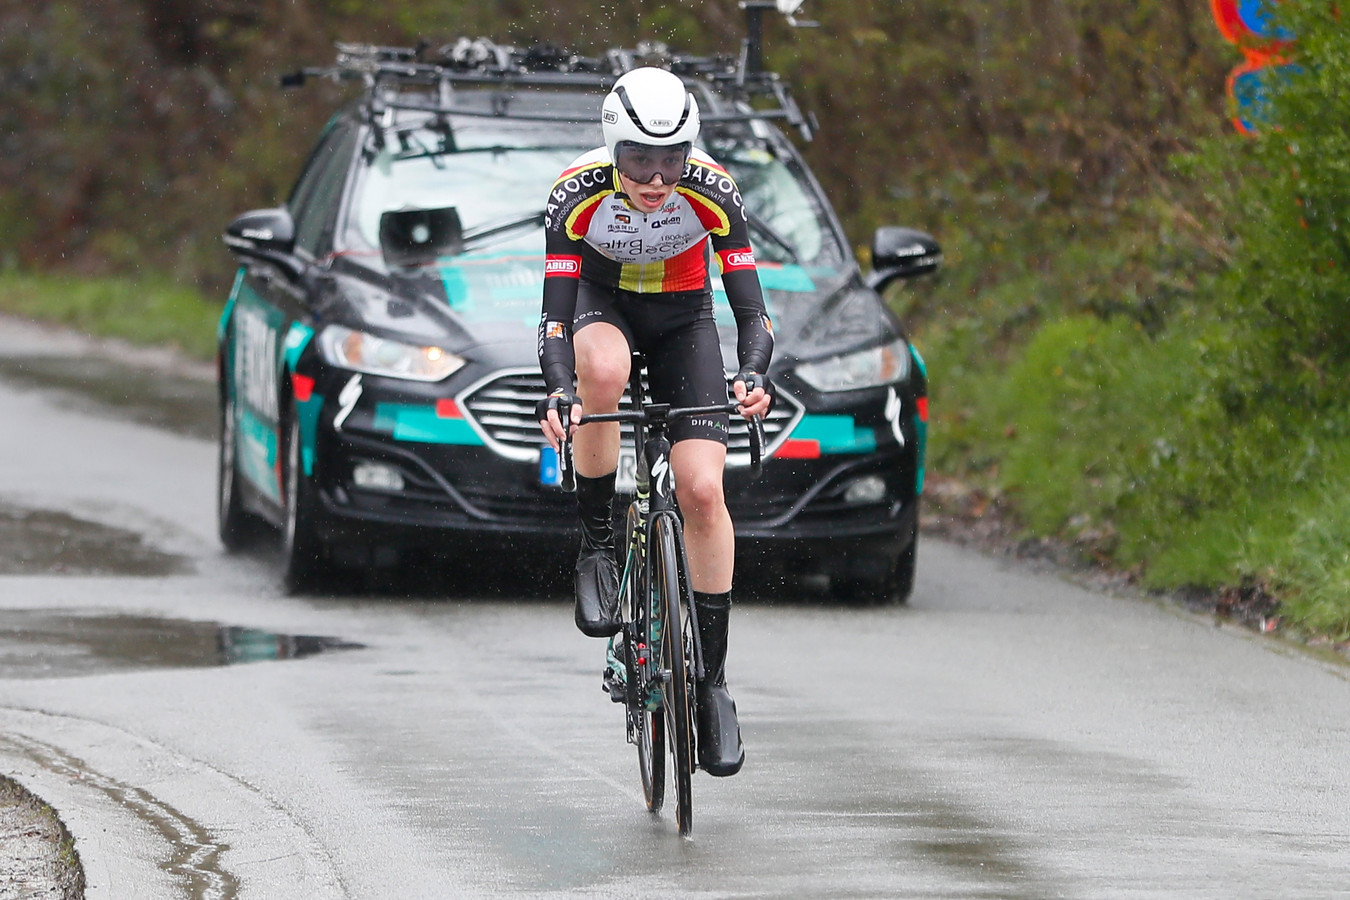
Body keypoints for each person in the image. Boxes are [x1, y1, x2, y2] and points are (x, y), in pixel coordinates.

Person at [536, 66, 773, 777]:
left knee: (703, 491)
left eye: (672, 160)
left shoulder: (714, 190)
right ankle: (597, 545)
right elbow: (553, 315)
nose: (658, 178)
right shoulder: (575, 195)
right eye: (640, 159)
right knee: (601, 375)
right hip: (600, 307)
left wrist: (754, 373)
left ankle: (713, 686)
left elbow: (751, 311)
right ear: (614, 149)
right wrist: (559, 390)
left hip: (683, 321)